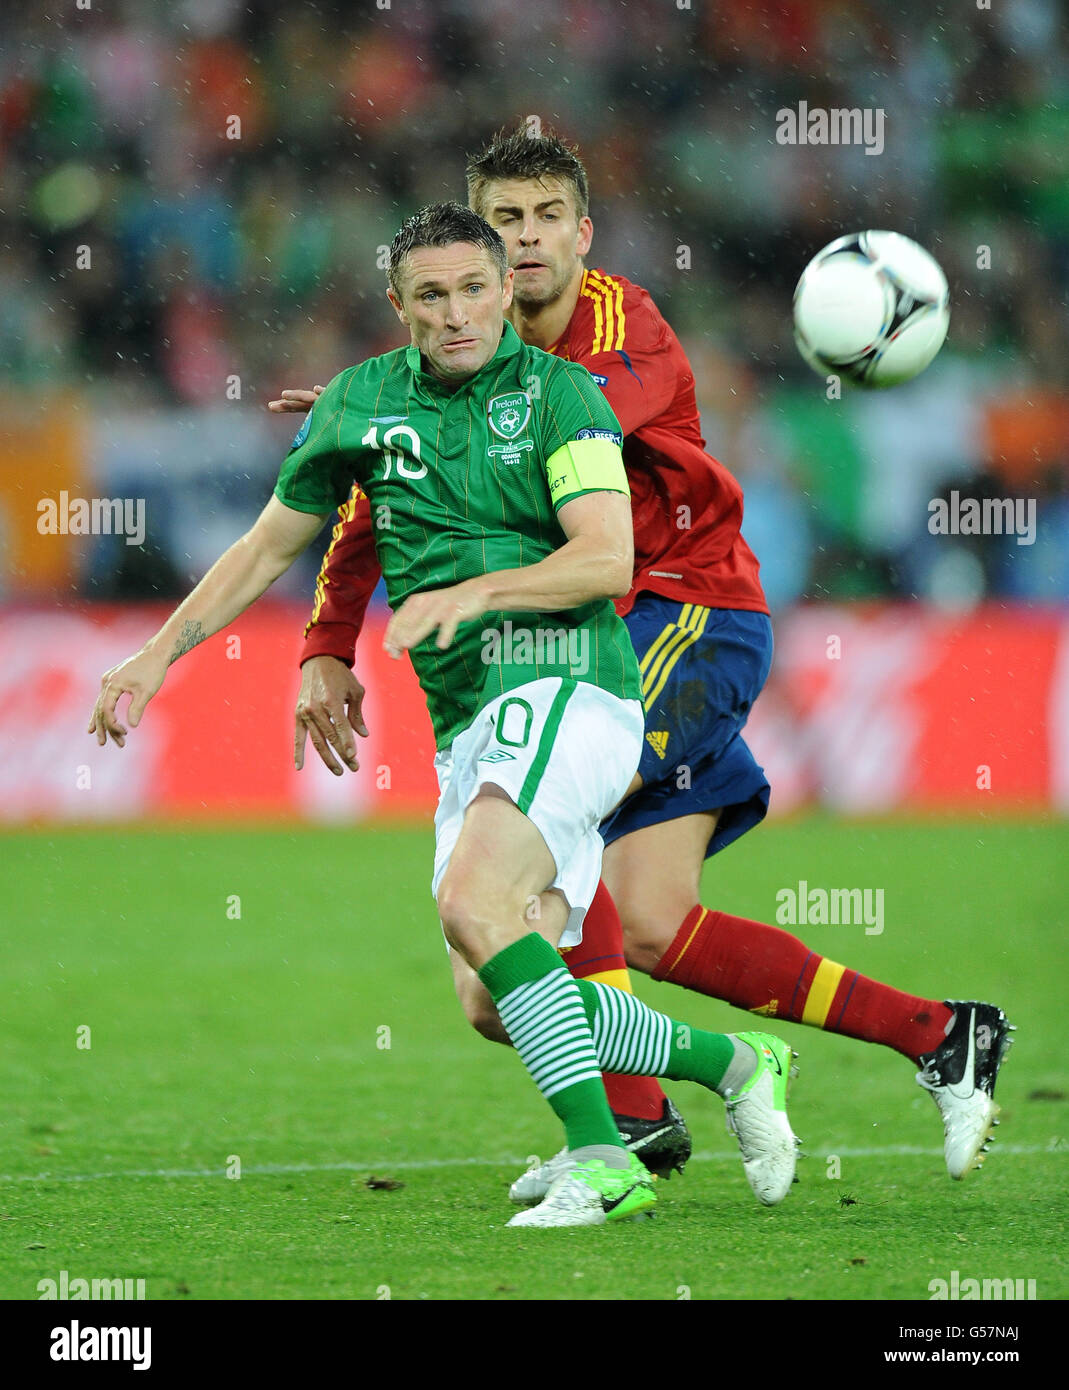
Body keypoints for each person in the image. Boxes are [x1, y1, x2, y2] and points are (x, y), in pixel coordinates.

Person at [271, 129, 1014, 1198]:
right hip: (596, 633)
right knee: (654, 924)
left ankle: (620, 1120)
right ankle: (943, 1034)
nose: (524, 242)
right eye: (504, 221)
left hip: (687, 610)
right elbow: (369, 508)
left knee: (556, 819)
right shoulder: (450, 352)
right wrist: (328, 637)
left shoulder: (627, 329)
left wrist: (397, 404)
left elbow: (553, 426)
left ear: (583, 233)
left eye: (543, 221)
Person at [90, 202, 800, 1228]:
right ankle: (738, 1060)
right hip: (470, 718)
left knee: (476, 898)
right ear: (399, 305)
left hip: (572, 685)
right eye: (431, 295)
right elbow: (263, 546)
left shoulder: (564, 397)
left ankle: (604, 1158)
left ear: (506, 290)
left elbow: (603, 556)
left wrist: (477, 594)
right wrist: (159, 653)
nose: (457, 313)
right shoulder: (360, 402)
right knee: (491, 993)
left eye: (475, 288)